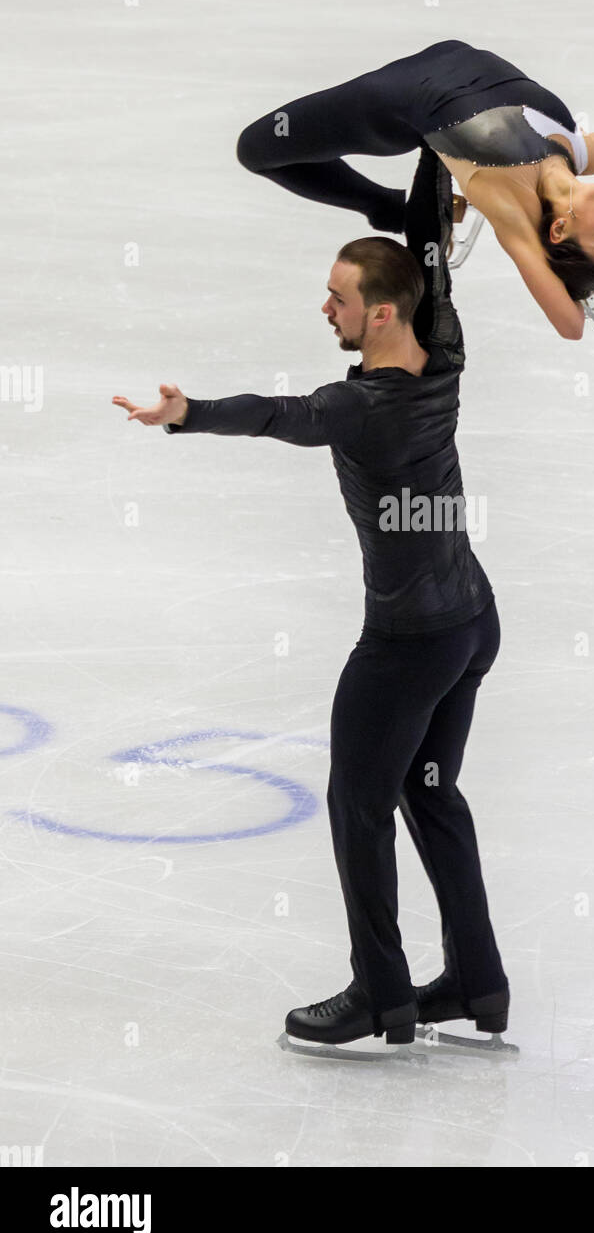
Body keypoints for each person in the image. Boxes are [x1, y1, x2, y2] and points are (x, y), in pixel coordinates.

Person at [111, 229, 510, 1050]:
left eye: (340, 299)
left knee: (358, 804)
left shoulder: (357, 407)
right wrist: (438, 164)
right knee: (430, 792)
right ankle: (477, 979)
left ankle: (381, 993)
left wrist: (187, 414)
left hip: (405, 645)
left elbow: (275, 415)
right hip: (471, 623)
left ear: (385, 312)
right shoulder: (445, 353)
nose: (325, 307)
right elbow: (429, 243)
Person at [234, 37, 594, 341]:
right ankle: (395, 206)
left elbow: (570, 328)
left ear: (557, 230)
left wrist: (571, 283)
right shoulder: (573, 156)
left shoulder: (510, 209)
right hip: (444, 61)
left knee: (257, 149)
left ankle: (380, 206)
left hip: (395, 101)